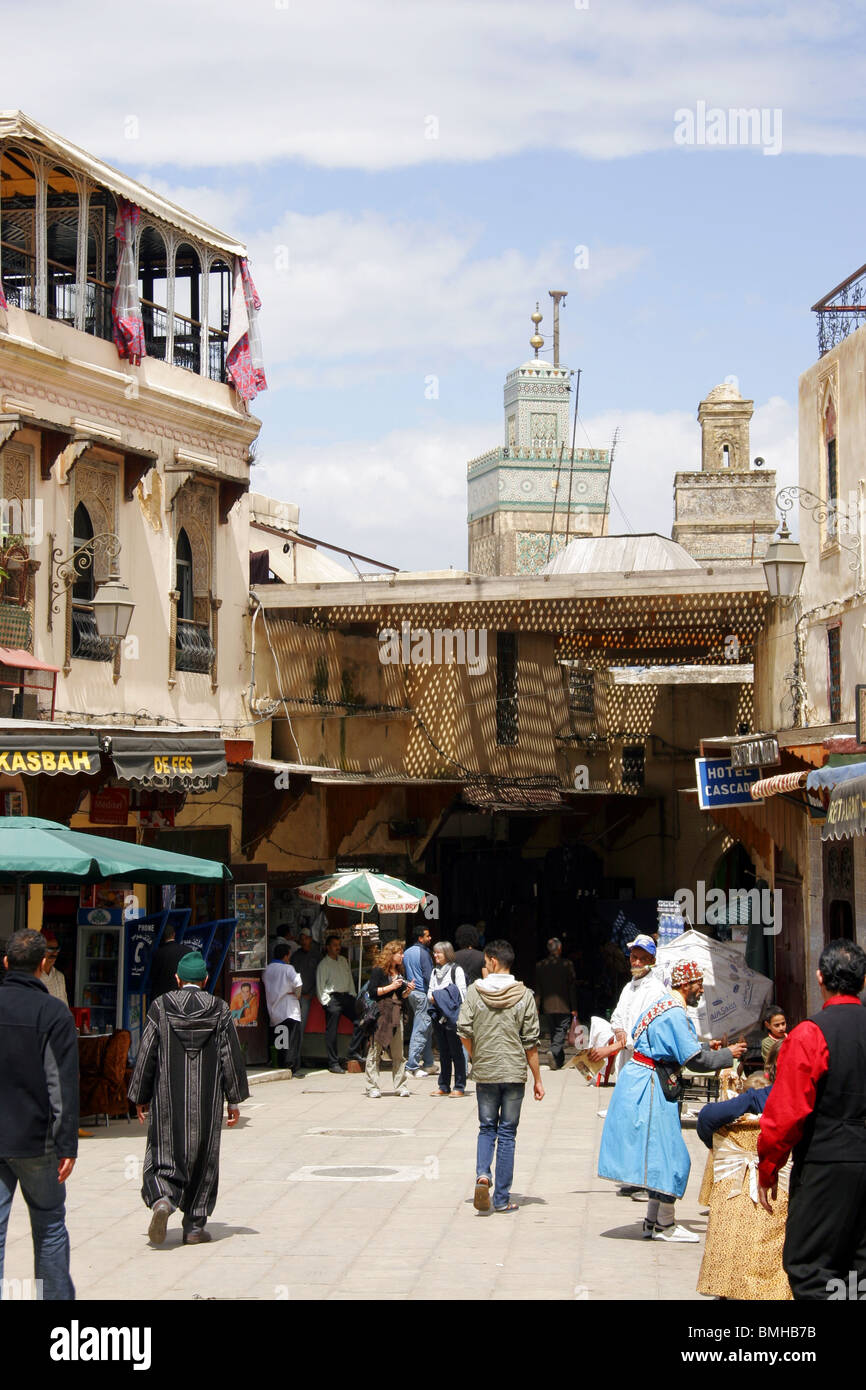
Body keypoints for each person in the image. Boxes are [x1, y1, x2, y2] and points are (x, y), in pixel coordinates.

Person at [597, 958, 745, 1243]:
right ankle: (665, 1224)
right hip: (651, 1085)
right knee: (671, 1156)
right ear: (686, 985)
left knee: (659, 1156)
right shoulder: (675, 1012)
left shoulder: (662, 1004)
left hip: (645, 1079)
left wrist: (704, 1046)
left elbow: (676, 1047)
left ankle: (653, 1221)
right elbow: (695, 1060)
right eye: (699, 984)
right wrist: (729, 1054)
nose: (701, 990)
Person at [757, 938, 866, 1300]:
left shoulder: (809, 1034)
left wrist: (769, 1166)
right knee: (858, 1271)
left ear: (820, 978)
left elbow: (786, 1114)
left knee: (810, 1268)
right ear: (863, 982)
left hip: (827, 1164)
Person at [128, 950, 249, 1246]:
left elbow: (147, 1053)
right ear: (206, 980)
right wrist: (233, 1100)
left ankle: (162, 1199)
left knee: (163, 1153)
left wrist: (140, 1095)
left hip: (168, 1098)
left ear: (178, 979)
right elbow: (229, 1055)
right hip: (207, 1101)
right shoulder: (219, 1009)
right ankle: (194, 1225)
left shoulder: (161, 1006)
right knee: (203, 1157)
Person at [0, 929, 78, 1300]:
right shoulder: (53, 1013)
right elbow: (59, 1083)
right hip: (37, 1139)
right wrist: (67, 1143)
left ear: (5, 963)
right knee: (49, 1226)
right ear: (42, 965)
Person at [696, 1040, 789, 1301]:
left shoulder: (758, 1098)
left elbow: (707, 1118)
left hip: (739, 1181)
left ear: (771, 1070)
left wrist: (723, 1147)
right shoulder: (811, 1104)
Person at [457, 938, 543, 1214]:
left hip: (486, 1072)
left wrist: (476, 1056)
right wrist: (538, 1079)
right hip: (514, 1073)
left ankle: (483, 1175)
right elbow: (531, 1042)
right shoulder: (525, 995)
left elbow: (464, 1032)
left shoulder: (474, 993)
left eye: (485, 962)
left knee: (486, 1128)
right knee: (507, 1133)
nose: (484, 966)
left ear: (493, 962)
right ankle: (503, 1199)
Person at [365, 940, 414, 1098]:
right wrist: (391, 987)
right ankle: (372, 1086)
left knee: (398, 1052)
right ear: (391, 954)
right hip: (381, 1014)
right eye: (399, 953)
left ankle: (400, 1085)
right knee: (375, 1051)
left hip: (396, 1012)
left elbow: (400, 995)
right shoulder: (379, 971)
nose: (402, 956)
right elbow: (372, 992)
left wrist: (407, 991)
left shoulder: (400, 971)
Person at [315, 934, 366, 1075]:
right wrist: (327, 1003)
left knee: (362, 1020)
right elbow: (320, 986)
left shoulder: (343, 960)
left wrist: (353, 995)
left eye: (339, 945)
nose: (338, 947)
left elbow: (349, 978)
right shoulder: (323, 965)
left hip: (347, 996)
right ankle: (333, 1062)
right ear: (328, 947)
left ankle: (352, 1051)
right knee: (332, 1031)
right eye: (335, 945)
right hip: (333, 999)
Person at [428, 941, 467, 1097]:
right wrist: (439, 997)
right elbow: (430, 993)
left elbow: (462, 994)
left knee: (456, 1051)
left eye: (439, 953)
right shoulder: (434, 972)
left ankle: (459, 1086)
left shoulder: (456, 970)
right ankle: (443, 1085)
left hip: (452, 1015)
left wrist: (439, 997)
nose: (435, 955)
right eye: (434, 952)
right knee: (443, 1051)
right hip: (438, 1015)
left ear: (447, 954)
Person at [534, 936, 578, 1070]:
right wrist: (574, 1007)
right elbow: (572, 987)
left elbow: (538, 988)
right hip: (563, 1006)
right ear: (559, 948)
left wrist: (537, 1006)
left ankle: (558, 1060)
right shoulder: (567, 965)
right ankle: (553, 1052)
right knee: (560, 1032)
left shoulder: (540, 966)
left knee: (554, 1032)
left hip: (547, 1006)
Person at [262, 943, 303, 1074]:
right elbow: (298, 982)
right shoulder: (288, 968)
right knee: (291, 1039)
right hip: (289, 1009)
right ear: (286, 956)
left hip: (274, 1010)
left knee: (280, 1038)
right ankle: (290, 1066)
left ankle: (281, 1064)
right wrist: (297, 995)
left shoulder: (267, 969)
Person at [403, 923, 434, 1078]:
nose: (430, 938)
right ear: (420, 938)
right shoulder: (424, 953)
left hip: (412, 993)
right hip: (422, 993)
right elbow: (429, 975)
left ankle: (428, 1063)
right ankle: (412, 1066)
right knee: (421, 1029)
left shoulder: (407, 952)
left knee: (426, 1028)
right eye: (427, 936)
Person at [146, 926, 192, 1006]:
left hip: (165, 997)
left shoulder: (159, 953)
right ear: (174, 934)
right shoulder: (187, 951)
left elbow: (153, 976)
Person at [290, 927, 321, 1042]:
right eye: (302, 939)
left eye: (306, 939)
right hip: (296, 994)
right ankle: (294, 1056)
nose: (304, 941)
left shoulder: (316, 956)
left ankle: (296, 1054)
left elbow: (319, 976)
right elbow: (292, 976)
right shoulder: (295, 956)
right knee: (294, 1024)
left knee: (301, 1025)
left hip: (308, 995)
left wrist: (312, 993)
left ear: (311, 939)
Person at [40, 933, 69, 1006]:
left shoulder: (59, 976)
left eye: (57, 949)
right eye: (50, 949)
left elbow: (64, 1006)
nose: (55, 953)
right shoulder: (32, 976)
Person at [760, 1003, 787, 1069]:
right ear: (767, 1025)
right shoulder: (767, 1043)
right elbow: (774, 1063)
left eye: (783, 1023)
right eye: (776, 1025)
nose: (781, 1028)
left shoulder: (791, 1037)